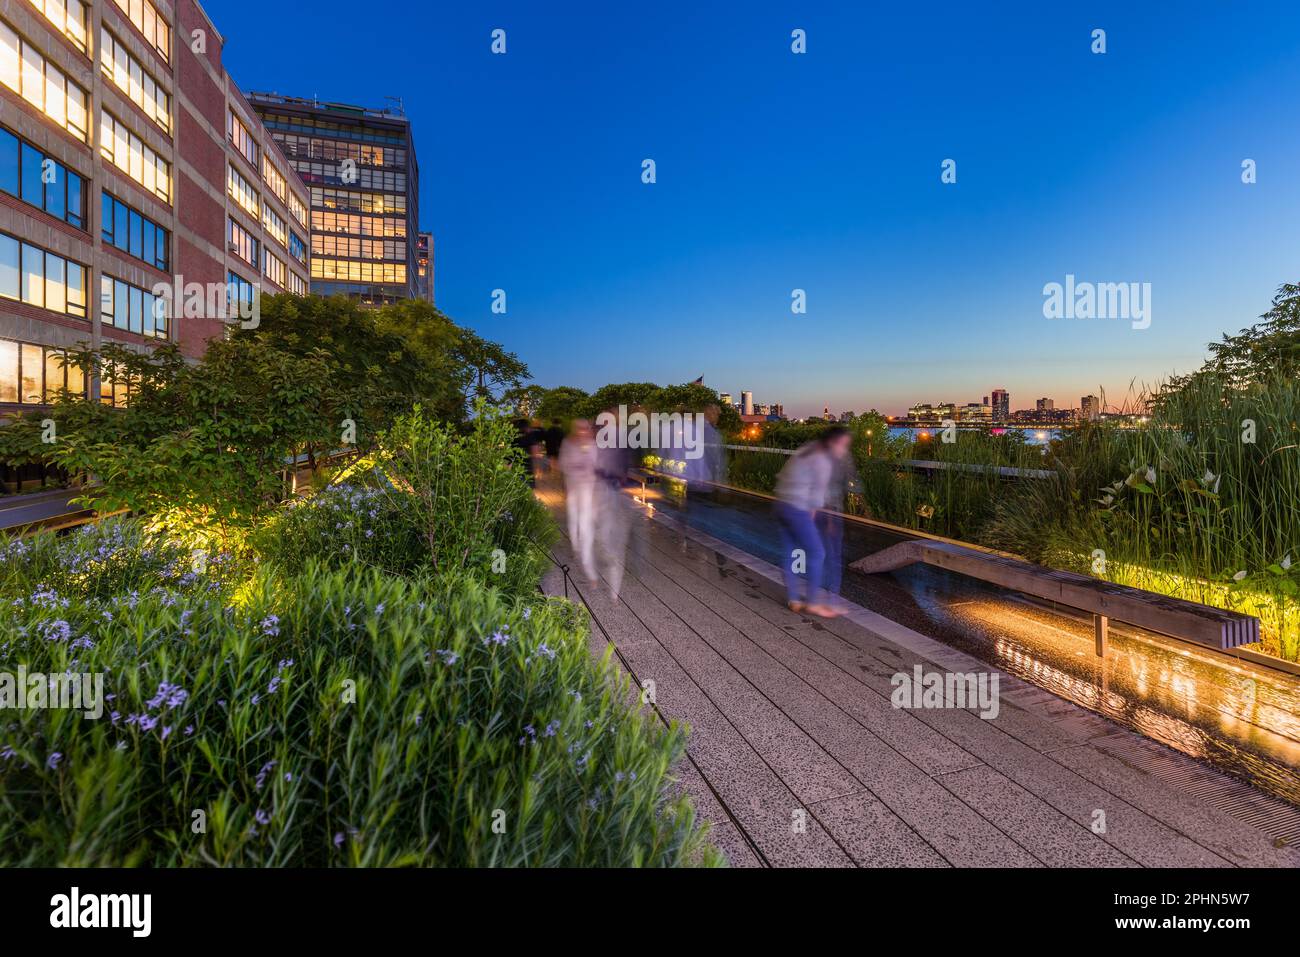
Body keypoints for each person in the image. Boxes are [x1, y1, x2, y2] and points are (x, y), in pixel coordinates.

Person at [773, 425, 853, 617]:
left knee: (790, 552)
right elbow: (817, 496)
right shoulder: (823, 460)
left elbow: (784, 477)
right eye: (843, 445)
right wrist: (812, 518)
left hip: (781, 504)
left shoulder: (806, 449)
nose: (844, 450)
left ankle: (793, 598)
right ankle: (813, 603)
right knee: (817, 552)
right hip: (797, 508)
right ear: (832, 442)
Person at [559, 419, 600, 583]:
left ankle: (586, 559)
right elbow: (563, 464)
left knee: (584, 521)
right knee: (573, 517)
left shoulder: (592, 444)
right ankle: (576, 546)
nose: (583, 431)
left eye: (585, 428)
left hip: (587, 488)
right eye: (580, 428)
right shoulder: (568, 444)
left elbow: (596, 465)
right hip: (573, 488)